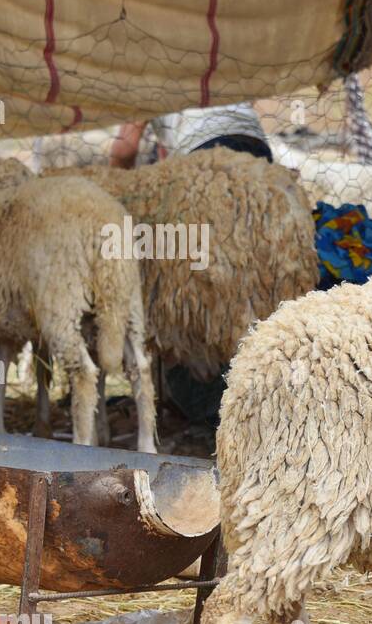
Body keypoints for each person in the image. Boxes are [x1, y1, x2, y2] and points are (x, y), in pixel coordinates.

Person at [108, 102, 274, 432]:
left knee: (194, 290)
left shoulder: (143, 75)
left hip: (203, 158)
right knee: (250, 278)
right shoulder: (207, 54)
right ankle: (261, 399)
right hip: (258, 151)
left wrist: (118, 190)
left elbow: (124, 151)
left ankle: (210, 404)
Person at [109, 101, 273, 168]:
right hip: (255, 145)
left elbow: (124, 150)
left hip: (202, 153)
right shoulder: (217, 43)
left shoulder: (147, 74)